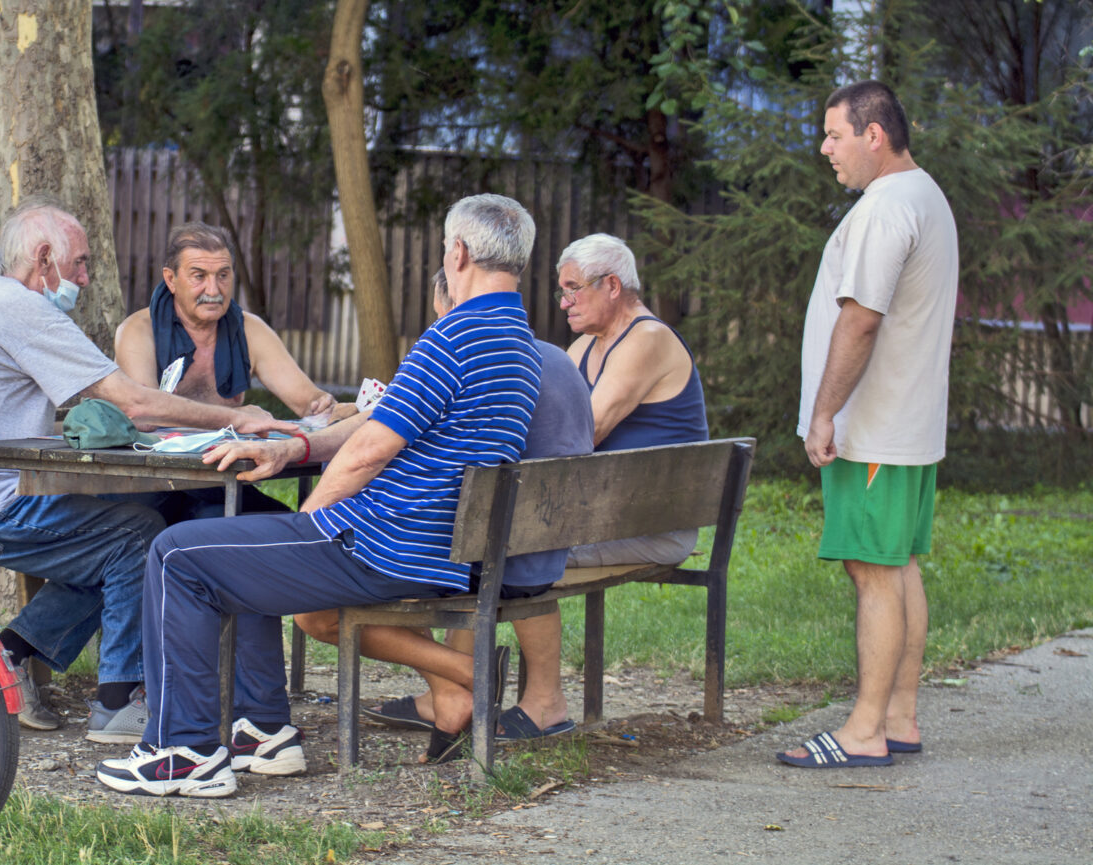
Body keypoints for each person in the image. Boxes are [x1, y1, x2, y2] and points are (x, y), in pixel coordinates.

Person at [95, 194, 543, 798]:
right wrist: (293, 451)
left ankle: (184, 751)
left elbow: (366, 452)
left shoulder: (453, 336)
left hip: (383, 544)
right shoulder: (521, 343)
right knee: (241, 548)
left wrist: (308, 522)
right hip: (442, 547)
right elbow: (374, 422)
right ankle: (263, 732)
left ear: (457, 252)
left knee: (176, 556)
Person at [0, 195, 294, 735]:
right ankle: (117, 702)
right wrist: (237, 419)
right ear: (44, 259)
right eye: (80, 262)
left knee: (124, 522)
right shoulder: (25, 311)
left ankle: (11, 655)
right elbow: (135, 404)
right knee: (137, 536)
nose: (86, 278)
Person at [290, 268, 594, 743]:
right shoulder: (555, 358)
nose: (439, 326)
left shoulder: (471, 360)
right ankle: (452, 692)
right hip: (544, 547)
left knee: (343, 588)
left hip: (486, 558)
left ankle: (457, 680)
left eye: (441, 316)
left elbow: (390, 448)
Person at [779, 81, 957, 769]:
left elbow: (860, 320)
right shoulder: (925, 195)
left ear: (873, 134)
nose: (826, 148)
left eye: (835, 134)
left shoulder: (885, 207)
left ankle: (862, 731)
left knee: (874, 573)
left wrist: (824, 412)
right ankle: (900, 717)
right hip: (907, 427)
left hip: (875, 428)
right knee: (899, 565)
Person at [113, 222, 355, 522]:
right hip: (149, 482)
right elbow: (146, 414)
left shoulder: (250, 330)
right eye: (199, 276)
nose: (213, 290)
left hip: (218, 481)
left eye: (223, 275)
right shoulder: (139, 330)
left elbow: (309, 402)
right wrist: (235, 418)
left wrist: (334, 410)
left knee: (273, 522)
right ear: (171, 279)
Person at [556, 233, 709, 566]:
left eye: (573, 288)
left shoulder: (648, 339)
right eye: (562, 291)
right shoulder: (584, 346)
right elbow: (552, 420)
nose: (564, 303)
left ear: (612, 285)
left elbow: (583, 433)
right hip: (608, 516)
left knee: (516, 560)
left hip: (653, 528)